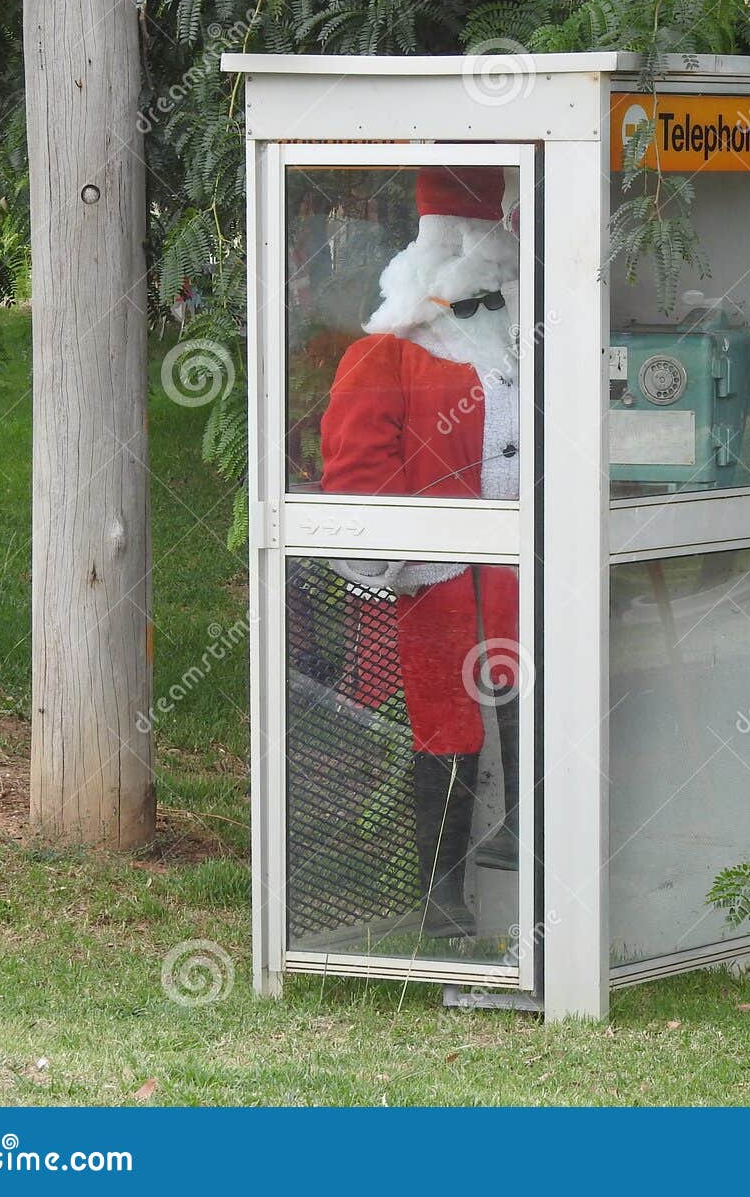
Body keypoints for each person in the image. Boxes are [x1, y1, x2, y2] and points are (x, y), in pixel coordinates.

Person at [318, 164, 522, 937]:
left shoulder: (534, 336)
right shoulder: (388, 354)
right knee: (447, 729)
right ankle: (443, 893)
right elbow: (358, 469)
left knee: (537, 708)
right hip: (438, 579)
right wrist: (384, 558)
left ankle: (539, 856)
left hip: (532, 569)